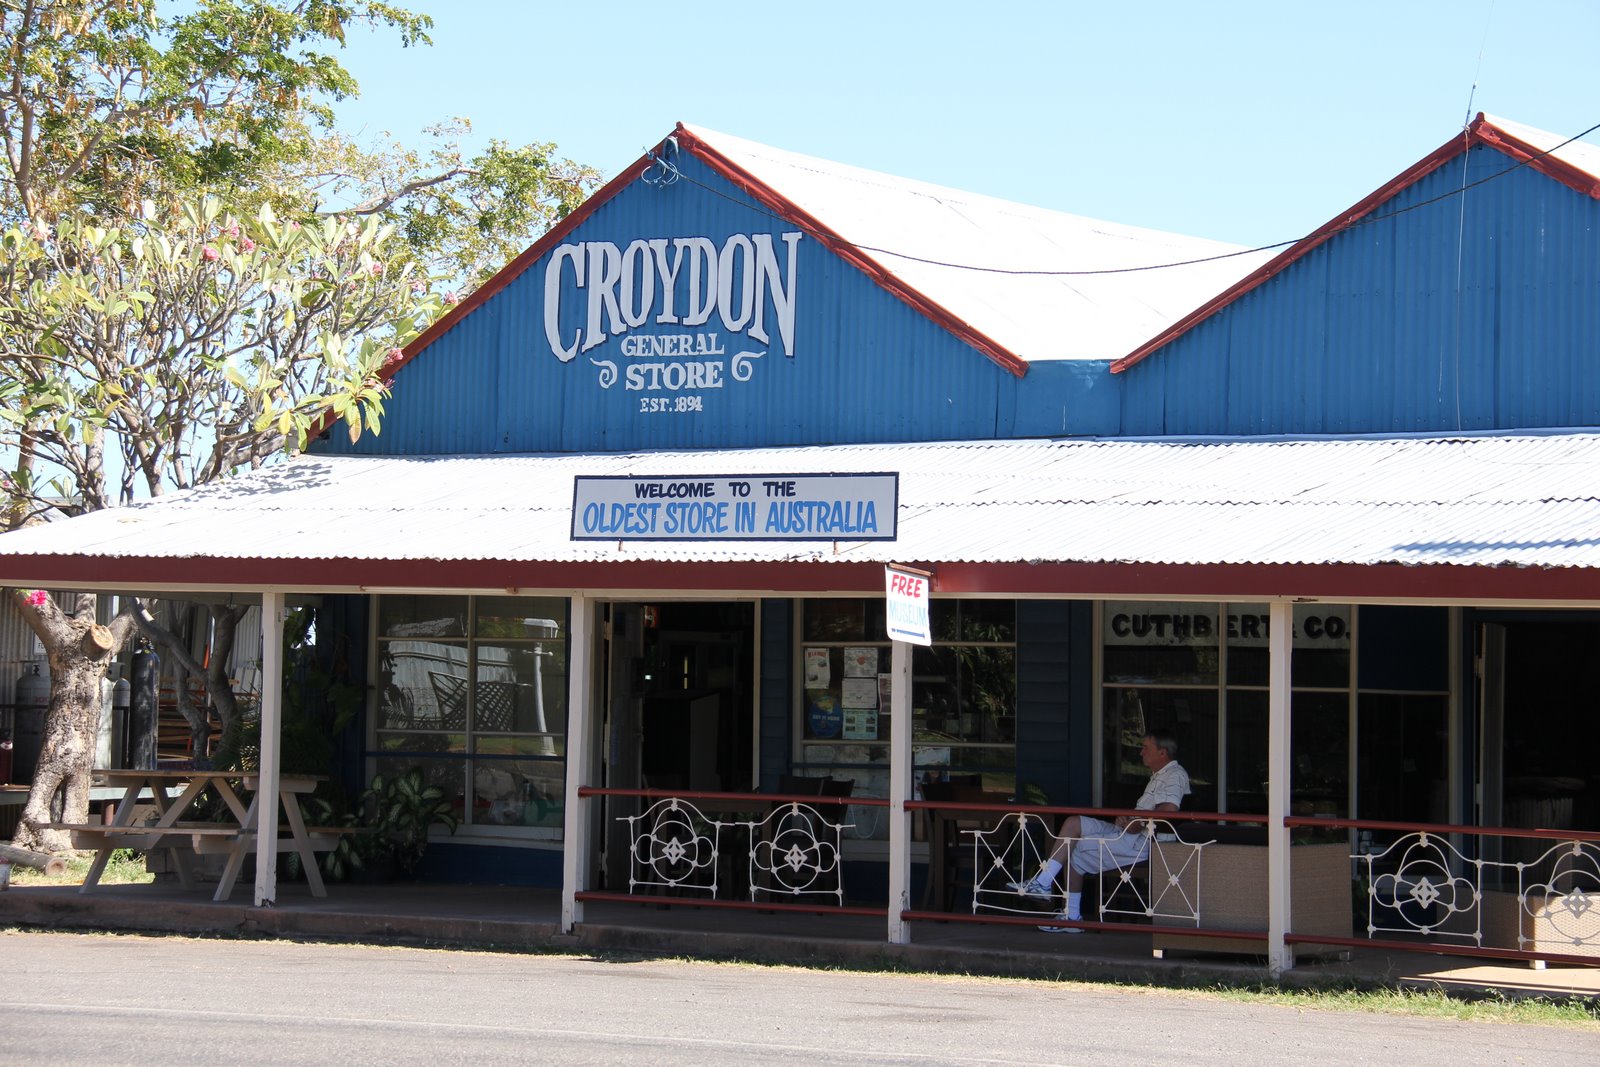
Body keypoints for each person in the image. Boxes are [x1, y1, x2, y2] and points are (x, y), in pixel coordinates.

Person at [1009, 732, 1190, 932]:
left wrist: (1136, 822)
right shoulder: (1159, 775)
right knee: (1073, 823)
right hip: (1127, 831)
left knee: (1073, 847)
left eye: (1146, 747)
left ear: (1162, 753)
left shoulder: (1175, 774)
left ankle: (1071, 916)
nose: (1141, 752)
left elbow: (1169, 810)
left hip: (1140, 843)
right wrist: (1126, 819)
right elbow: (1148, 812)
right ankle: (1043, 882)